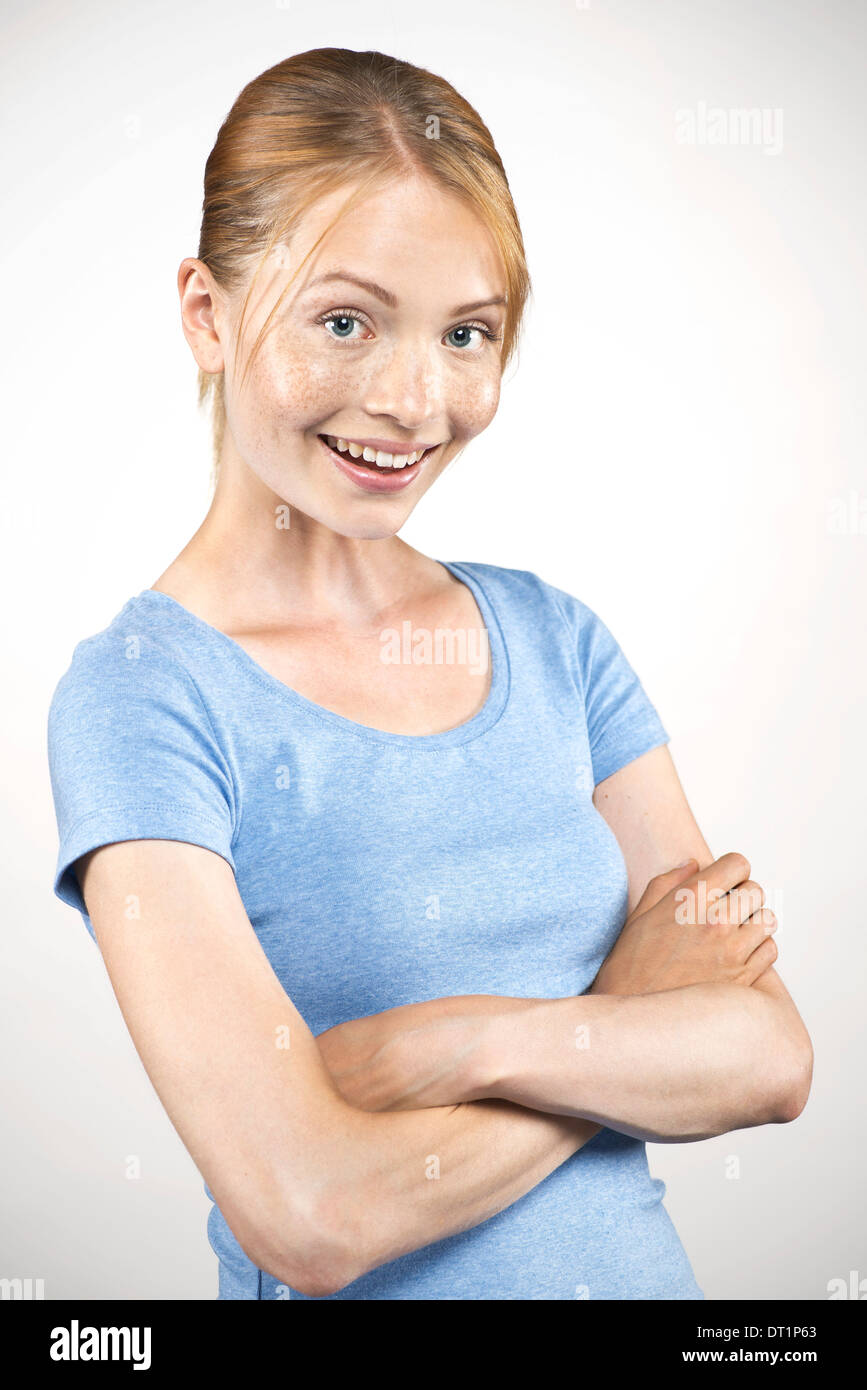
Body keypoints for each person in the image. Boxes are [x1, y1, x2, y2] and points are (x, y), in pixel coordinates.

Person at [47, 47, 812, 1300]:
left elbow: (770, 1053)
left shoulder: (556, 642)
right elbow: (312, 1216)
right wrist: (620, 1018)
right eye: (345, 320)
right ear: (208, 312)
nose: (412, 401)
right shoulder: (144, 700)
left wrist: (453, 1043)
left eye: (467, 334)